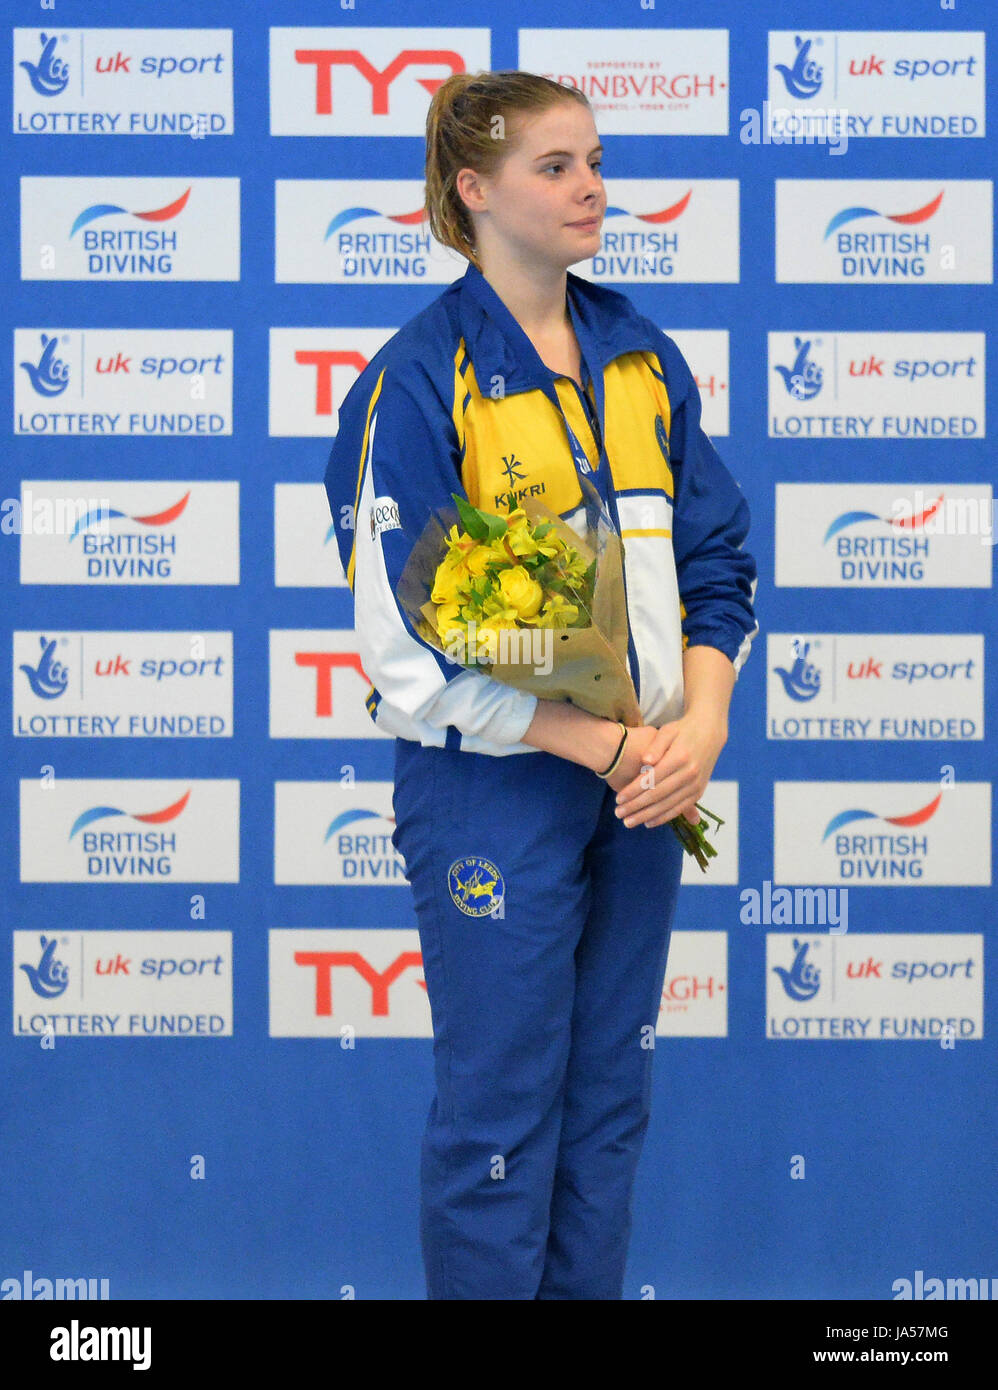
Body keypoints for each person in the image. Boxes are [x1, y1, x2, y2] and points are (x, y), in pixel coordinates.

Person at [323, 70, 758, 1300]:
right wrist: (588, 741)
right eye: (555, 167)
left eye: (596, 163)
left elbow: (718, 557)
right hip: (495, 793)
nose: (591, 189)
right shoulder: (417, 376)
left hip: (645, 786)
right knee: (501, 1115)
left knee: (606, 1103)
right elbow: (401, 648)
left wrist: (699, 726)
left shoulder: (639, 354)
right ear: (474, 190)